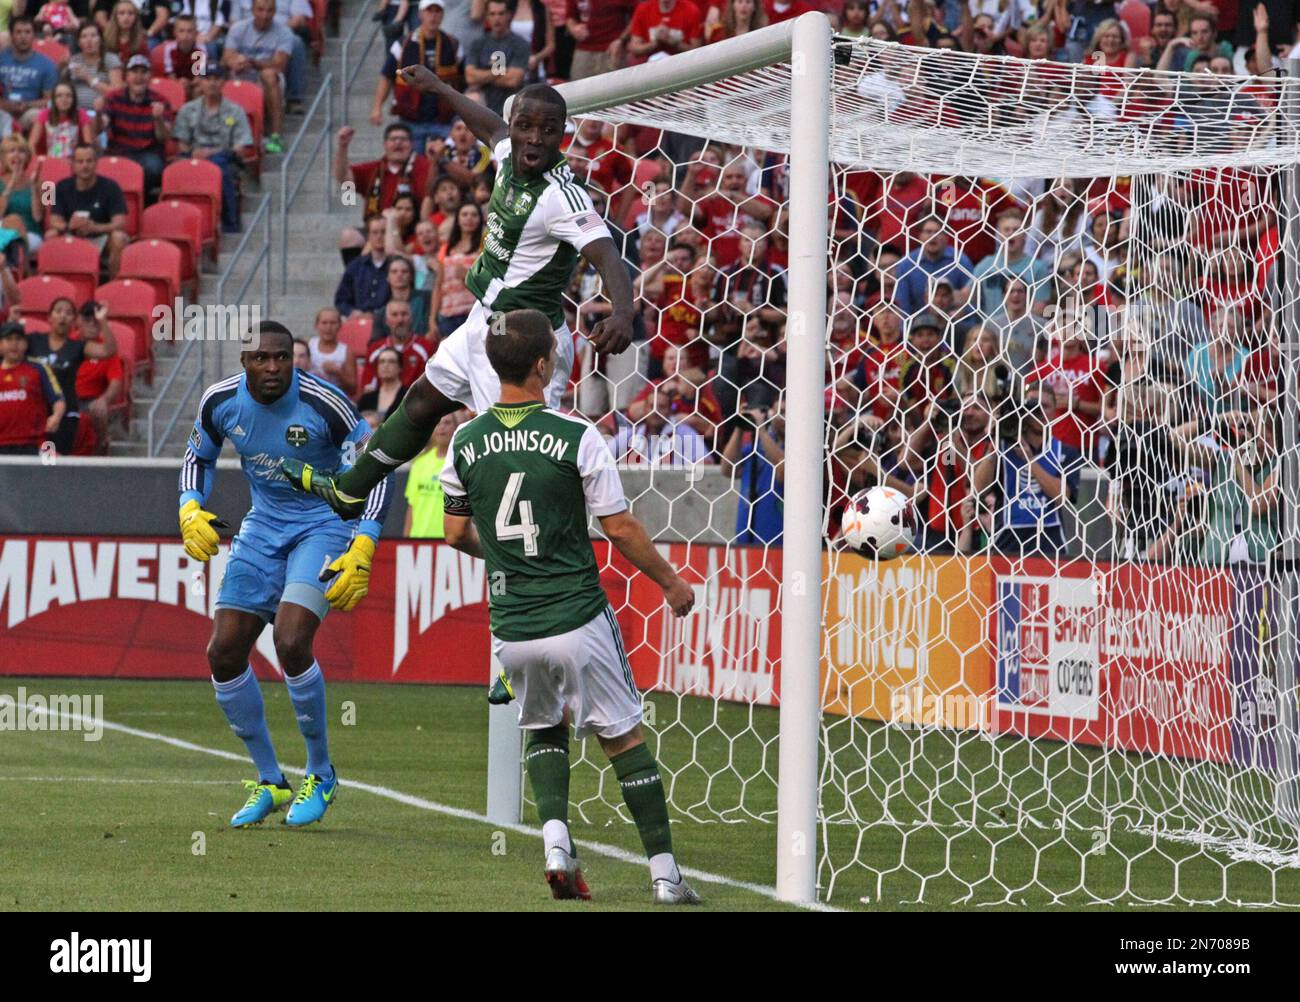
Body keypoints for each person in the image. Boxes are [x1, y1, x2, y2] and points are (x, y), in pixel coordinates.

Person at [284, 72, 636, 516]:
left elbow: (606, 254)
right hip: (482, 321)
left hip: (524, 343)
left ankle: (536, 555)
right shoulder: (509, 151)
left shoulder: (563, 197)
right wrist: (439, 88)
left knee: (512, 455)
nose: (533, 138)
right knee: (423, 401)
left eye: (547, 131)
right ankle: (351, 490)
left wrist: (623, 312)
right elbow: (489, 126)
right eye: (525, 125)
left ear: (560, 135)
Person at [438, 309, 699, 904]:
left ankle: (556, 842)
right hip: (576, 613)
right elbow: (623, 528)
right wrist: (671, 583)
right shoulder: (575, 433)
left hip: (513, 627)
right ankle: (664, 875)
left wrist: (506, 558)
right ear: (541, 363)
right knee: (623, 737)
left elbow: (453, 534)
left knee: (545, 727)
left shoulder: (465, 440)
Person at [178, 321, 393, 828]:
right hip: (263, 527)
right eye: (261, 359)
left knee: (292, 639)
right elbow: (197, 456)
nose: (273, 367)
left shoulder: (325, 403)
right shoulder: (220, 402)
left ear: (293, 360)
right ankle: (271, 780)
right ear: (244, 362)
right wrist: (190, 507)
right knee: (223, 651)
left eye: (282, 358)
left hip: (323, 525)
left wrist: (364, 541)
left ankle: (321, 772)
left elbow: (376, 466)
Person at [26, 295, 118, 454]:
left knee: (56, 460)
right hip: (35, 411)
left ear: (74, 321)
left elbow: (108, 350)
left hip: (66, 414)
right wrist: (12, 322)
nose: (63, 315)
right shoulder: (34, 341)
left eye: (68, 313)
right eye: (58, 311)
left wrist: (102, 320)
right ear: (49, 317)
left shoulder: (78, 346)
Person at [172, 66, 255, 233]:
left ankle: (230, 224)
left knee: (219, 168)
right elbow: (181, 143)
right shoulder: (188, 110)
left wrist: (213, 153)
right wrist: (193, 155)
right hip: (193, 159)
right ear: (200, 82)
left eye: (217, 79)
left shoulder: (235, 111)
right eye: (207, 79)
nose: (212, 83)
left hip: (226, 157)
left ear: (223, 82)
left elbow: (242, 147)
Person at [334, 122, 432, 264]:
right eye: (393, 139)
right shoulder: (374, 169)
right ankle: (355, 279)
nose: (398, 143)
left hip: (412, 231)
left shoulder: (424, 166)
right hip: (377, 228)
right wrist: (343, 147)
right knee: (349, 237)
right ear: (385, 144)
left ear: (411, 144)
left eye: (403, 139)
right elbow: (344, 180)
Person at [372, 0, 463, 148]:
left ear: (443, 15)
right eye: (429, 11)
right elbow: (387, 76)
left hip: (444, 119)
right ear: (420, 14)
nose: (433, 16)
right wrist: (377, 107)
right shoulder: (403, 44)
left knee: (446, 165)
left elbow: (463, 79)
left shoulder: (453, 44)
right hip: (411, 119)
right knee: (413, 166)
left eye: (437, 11)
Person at [44, 141, 130, 277]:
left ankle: (114, 287)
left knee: (119, 238)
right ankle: (53, 284)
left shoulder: (111, 186)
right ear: (72, 164)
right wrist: (68, 226)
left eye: (89, 161)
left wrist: (95, 227)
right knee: (50, 235)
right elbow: (53, 221)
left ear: (96, 163)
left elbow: (120, 222)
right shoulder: (60, 186)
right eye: (80, 161)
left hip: (100, 237)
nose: (85, 166)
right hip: (71, 235)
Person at [222, 0, 294, 153]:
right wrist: (236, 61)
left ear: (275, 12)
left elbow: (279, 65)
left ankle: (275, 136)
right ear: (252, 10)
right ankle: (227, 134)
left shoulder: (284, 32)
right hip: (242, 75)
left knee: (268, 75)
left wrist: (253, 62)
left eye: (269, 11)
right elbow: (226, 57)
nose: (265, 15)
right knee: (219, 77)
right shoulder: (238, 28)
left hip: (268, 78)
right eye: (260, 10)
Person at [97, 53, 172, 193]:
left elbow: (164, 138)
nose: (139, 77)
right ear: (126, 76)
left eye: (144, 72)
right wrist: (98, 114)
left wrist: (158, 119)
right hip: (118, 151)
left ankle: (139, 201)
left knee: (154, 168)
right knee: (97, 166)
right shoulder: (113, 98)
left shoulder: (161, 101)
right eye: (134, 72)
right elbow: (99, 128)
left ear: (150, 77)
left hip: (147, 153)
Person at [720, 398, 784, 544]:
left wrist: (761, 430)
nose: (783, 418)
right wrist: (740, 426)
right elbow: (727, 469)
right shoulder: (756, 448)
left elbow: (784, 471)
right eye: (780, 412)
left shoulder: (798, 451)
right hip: (746, 541)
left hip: (779, 544)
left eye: (787, 413)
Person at [0, 322, 64, 455]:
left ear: (26, 344)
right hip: (2, 443)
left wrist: (56, 416)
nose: (14, 344)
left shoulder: (39, 368)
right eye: (8, 339)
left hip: (37, 442)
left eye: (18, 339)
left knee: (57, 469)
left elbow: (58, 399)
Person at [71, 300, 123, 451]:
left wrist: (104, 399)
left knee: (99, 409)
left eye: (96, 321)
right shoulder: (68, 343)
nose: (92, 324)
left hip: (91, 400)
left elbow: (116, 382)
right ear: (78, 321)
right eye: (87, 320)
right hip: (66, 398)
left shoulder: (106, 349)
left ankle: (101, 445)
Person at [464, 0, 530, 117]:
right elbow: (470, 77)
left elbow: (513, 80)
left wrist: (481, 76)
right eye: (492, 14)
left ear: (509, 15)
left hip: (512, 106)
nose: (497, 18)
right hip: (483, 105)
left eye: (501, 13)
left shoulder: (520, 44)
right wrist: (501, 72)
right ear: (487, 16)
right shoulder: (478, 44)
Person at [403, 411, 459, 537]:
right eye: (437, 423)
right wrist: (406, 539)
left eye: (447, 423)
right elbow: (412, 506)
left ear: (457, 427)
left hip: (449, 541)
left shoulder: (461, 462)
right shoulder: (419, 463)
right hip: (418, 540)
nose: (441, 427)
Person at [0, 18, 59, 130]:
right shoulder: (1, 59)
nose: (23, 37)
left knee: (38, 116)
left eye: (27, 32)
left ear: (34, 36)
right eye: (18, 32)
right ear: (11, 36)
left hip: (28, 112)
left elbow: (50, 100)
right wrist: (5, 105)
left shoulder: (46, 64)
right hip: (3, 111)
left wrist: (27, 105)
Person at [334, 214, 392, 318]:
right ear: (368, 236)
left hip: (387, 322)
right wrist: (352, 312)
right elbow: (341, 300)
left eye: (384, 232)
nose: (379, 236)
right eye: (375, 232)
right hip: (359, 321)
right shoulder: (356, 266)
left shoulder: (396, 265)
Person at [65, 21, 123, 112]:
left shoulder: (110, 59)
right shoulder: (74, 60)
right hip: (74, 112)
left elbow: (117, 93)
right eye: (84, 36)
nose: (89, 40)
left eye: (93, 36)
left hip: (102, 112)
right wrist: (62, 67)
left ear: (100, 40)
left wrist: (89, 78)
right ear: (79, 42)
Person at [31, 81, 97, 159]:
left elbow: (88, 144)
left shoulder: (81, 114)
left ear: (74, 99)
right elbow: (32, 144)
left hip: (73, 162)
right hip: (49, 161)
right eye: (59, 96)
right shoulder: (44, 114)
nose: (64, 99)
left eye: (68, 96)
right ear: (53, 99)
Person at [307, 306, 357, 395]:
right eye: (324, 323)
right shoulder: (309, 345)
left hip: (336, 396)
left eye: (333, 323)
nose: (328, 327)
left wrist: (339, 372)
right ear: (316, 325)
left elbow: (353, 389)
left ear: (340, 325)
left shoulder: (346, 351)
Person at [358, 346, 409, 419]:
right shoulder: (367, 398)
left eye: (391, 361)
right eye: (382, 362)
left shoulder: (408, 395)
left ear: (400, 367)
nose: (386, 365)